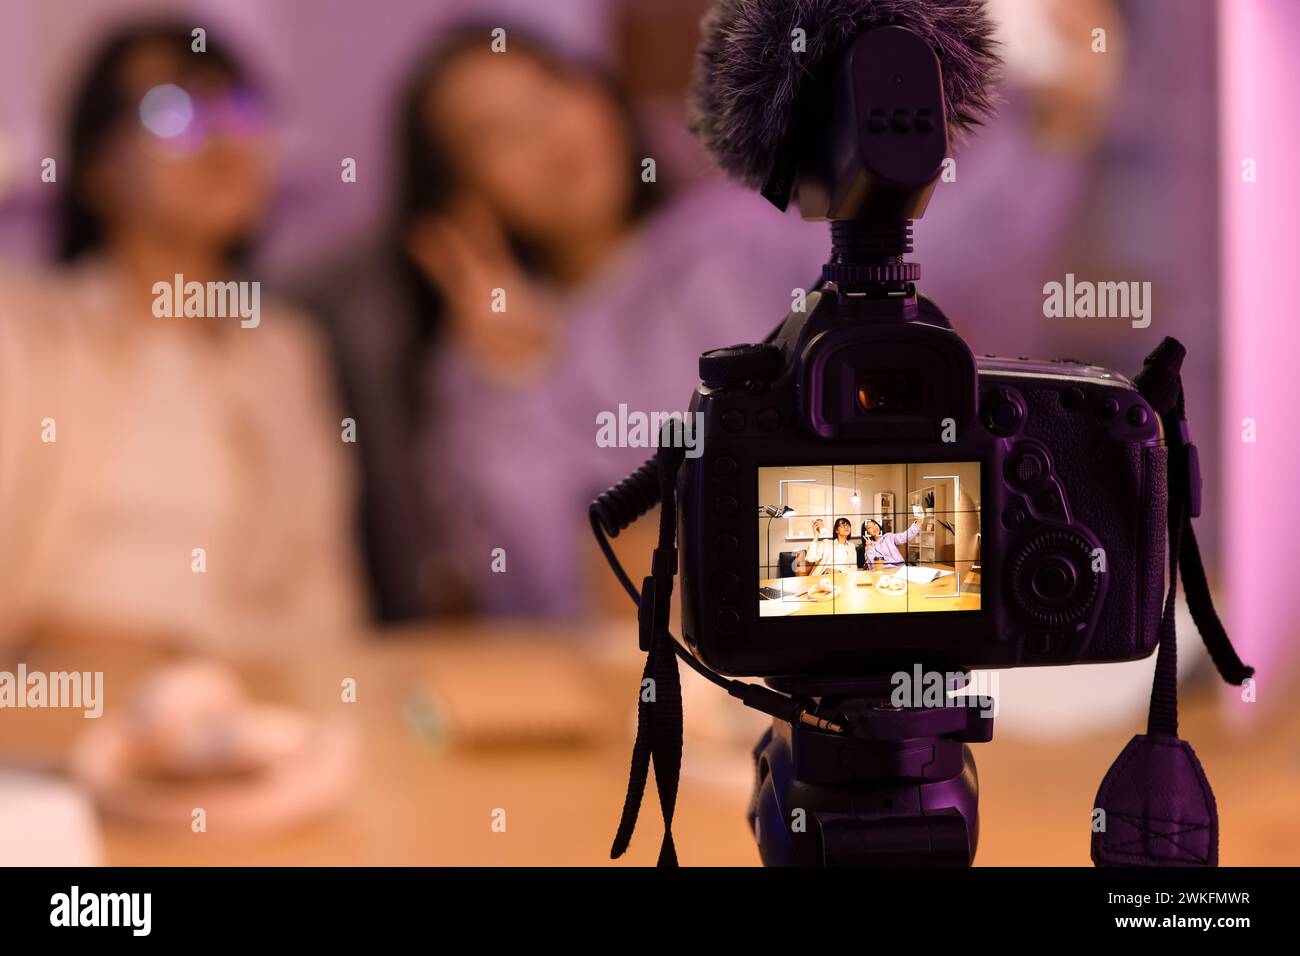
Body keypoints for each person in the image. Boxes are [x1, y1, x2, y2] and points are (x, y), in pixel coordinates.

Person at [312, 24, 826, 619]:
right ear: (459, 199)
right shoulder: (480, 362)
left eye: (550, 89)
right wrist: (514, 382)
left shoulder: (737, 243)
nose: (549, 136)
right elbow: (533, 598)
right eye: (495, 133)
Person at [0, 22, 364, 652]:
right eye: (174, 113)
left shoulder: (284, 351)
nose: (222, 140)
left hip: (244, 704)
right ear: (96, 169)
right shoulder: (26, 333)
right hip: (49, 697)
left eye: (243, 112)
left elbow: (326, 600)